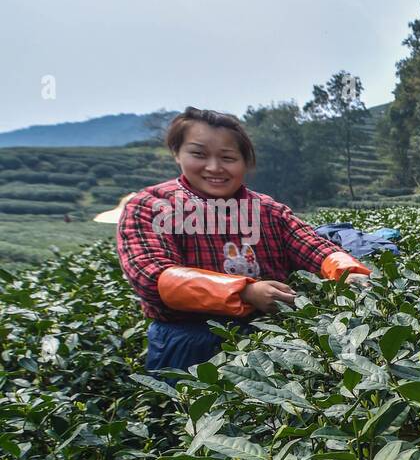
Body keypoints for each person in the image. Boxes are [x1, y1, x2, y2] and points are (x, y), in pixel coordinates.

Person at [115, 107, 372, 372]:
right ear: (177, 154)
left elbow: (311, 245)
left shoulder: (267, 210)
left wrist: (346, 271)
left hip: (268, 334)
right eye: (198, 154)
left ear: (245, 162)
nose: (214, 167)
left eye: (228, 157)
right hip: (187, 342)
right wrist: (245, 292)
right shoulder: (151, 206)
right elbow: (152, 277)